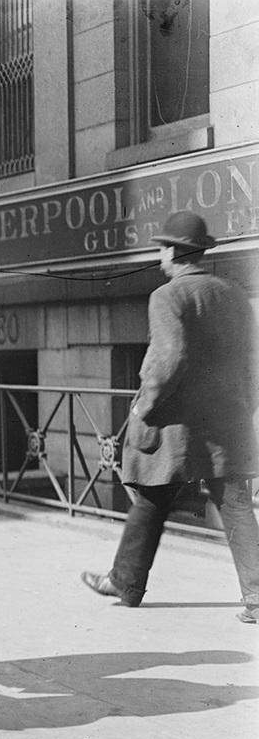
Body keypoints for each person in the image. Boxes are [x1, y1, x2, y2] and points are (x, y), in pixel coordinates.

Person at [82, 211, 259, 623]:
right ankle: (257, 595)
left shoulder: (167, 296)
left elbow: (169, 359)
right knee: (234, 504)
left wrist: (145, 405)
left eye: (162, 248)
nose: (160, 256)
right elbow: (252, 362)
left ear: (175, 252)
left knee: (151, 495)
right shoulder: (234, 294)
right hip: (226, 421)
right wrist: (246, 407)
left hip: (176, 424)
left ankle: (126, 582)